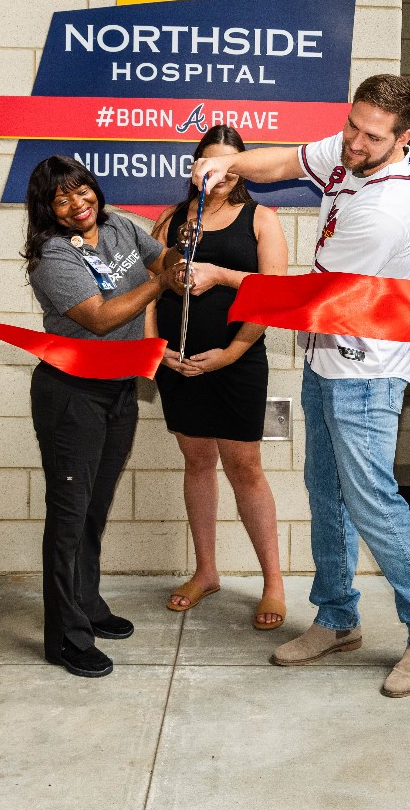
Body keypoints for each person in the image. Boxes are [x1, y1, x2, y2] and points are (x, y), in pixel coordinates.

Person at [186, 74, 410, 698]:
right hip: (325, 358)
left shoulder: (388, 210)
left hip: (368, 370)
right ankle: (336, 618)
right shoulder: (350, 147)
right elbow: (281, 159)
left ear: (403, 138)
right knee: (324, 489)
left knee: (371, 502)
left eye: (373, 135)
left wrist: (222, 275)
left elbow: (312, 297)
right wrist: (225, 162)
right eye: (353, 125)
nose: (356, 142)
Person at [23, 155, 170, 678]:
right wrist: (161, 283)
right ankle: (64, 637)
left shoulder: (120, 225)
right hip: (71, 396)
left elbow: (165, 257)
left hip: (118, 391)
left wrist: (179, 256)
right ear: (48, 210)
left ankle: (87, 604)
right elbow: (102, 318)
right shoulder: (50, 256)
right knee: (68, 515)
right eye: (61, 199)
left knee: (93, 508)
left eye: (82, 190)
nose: (77, 204)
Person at [146, 126, 291, 630]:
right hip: (178, 363)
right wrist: (154, 348)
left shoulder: (261, 219)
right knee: (196, 458)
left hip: (237, 360)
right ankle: (206, 571)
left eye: (232, 165)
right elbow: (150, 286)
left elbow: (272, 296)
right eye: (210, 163)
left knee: (244, 465)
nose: (221, 174)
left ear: (243, 169)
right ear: (194, 167)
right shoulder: (171, 220)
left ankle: (272, 581)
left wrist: (232, 352)